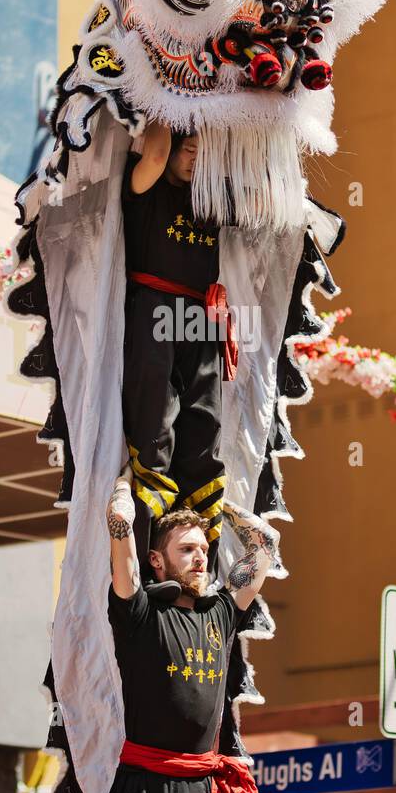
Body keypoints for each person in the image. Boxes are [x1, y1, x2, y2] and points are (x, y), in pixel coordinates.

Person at [63, 472, 279, 793]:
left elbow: (263, 549)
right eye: (187, 550)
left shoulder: (222, 613)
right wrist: (121, 499)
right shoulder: (139, 613)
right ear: (158, 561)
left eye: (204, 549)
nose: (201, 557)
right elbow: (122, 539)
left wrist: (221, 516)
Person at [121, 121, 237, 574]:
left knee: (204, 440)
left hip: (201, 318)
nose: (194, 158)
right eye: (188, 149)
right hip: (153, 312)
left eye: (201, 152)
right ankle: (147, 564)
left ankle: (199, 567)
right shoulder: (142, 180)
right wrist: (171, 91)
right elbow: (154, 152)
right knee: (155, 437)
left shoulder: (211, 199)